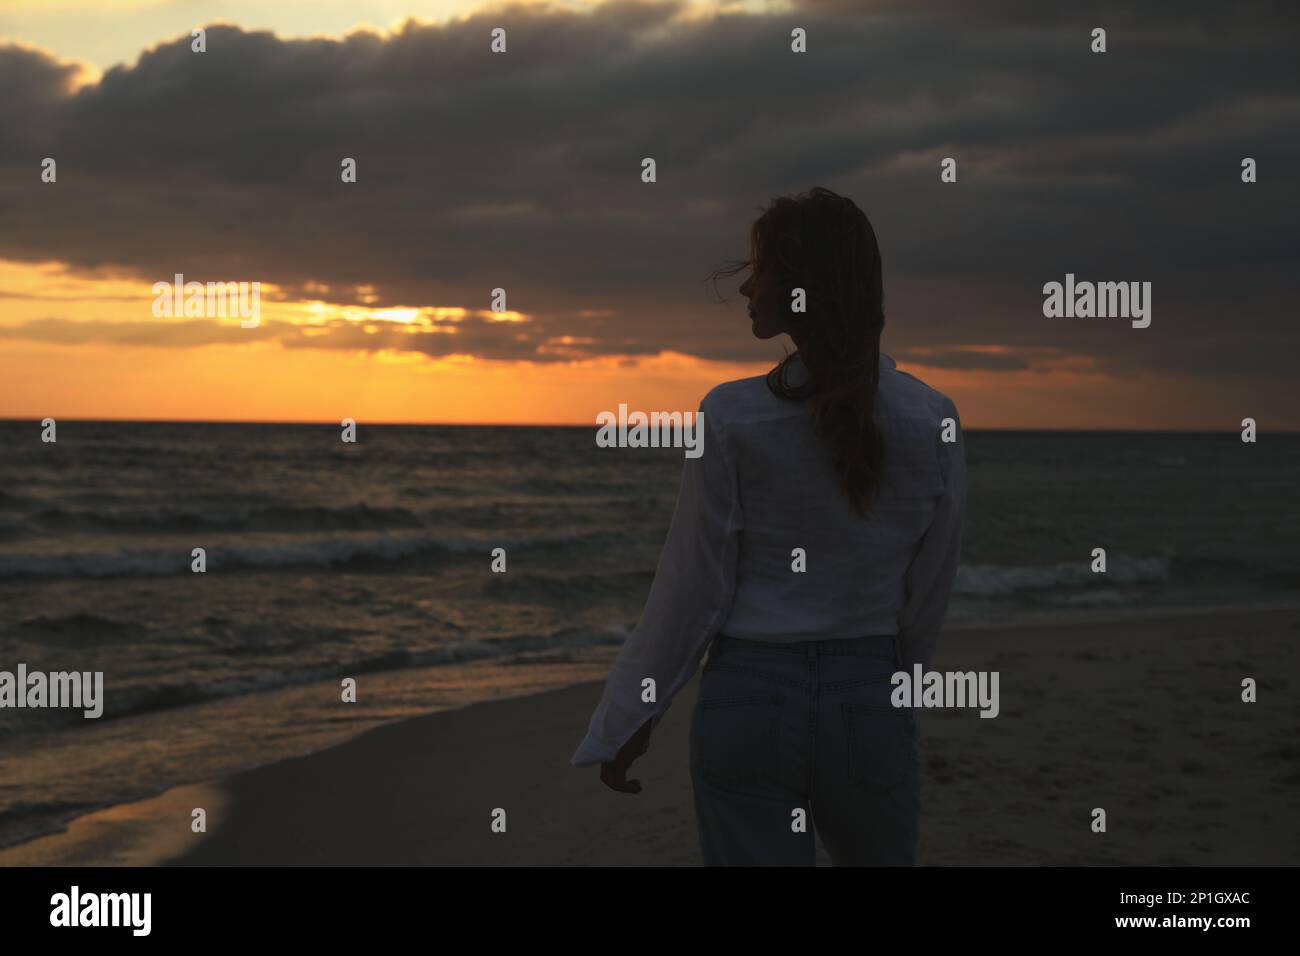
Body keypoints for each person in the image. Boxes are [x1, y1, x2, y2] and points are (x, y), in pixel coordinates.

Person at [570, 186, 967, 865]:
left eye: (767, 269)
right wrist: (889, 695)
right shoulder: (933, 419)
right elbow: (928, 591)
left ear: (804, 288)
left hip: (748, 703)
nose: (749, 286)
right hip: (868, 696)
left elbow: (691, 590)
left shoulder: (731, 417)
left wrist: (629, 719)